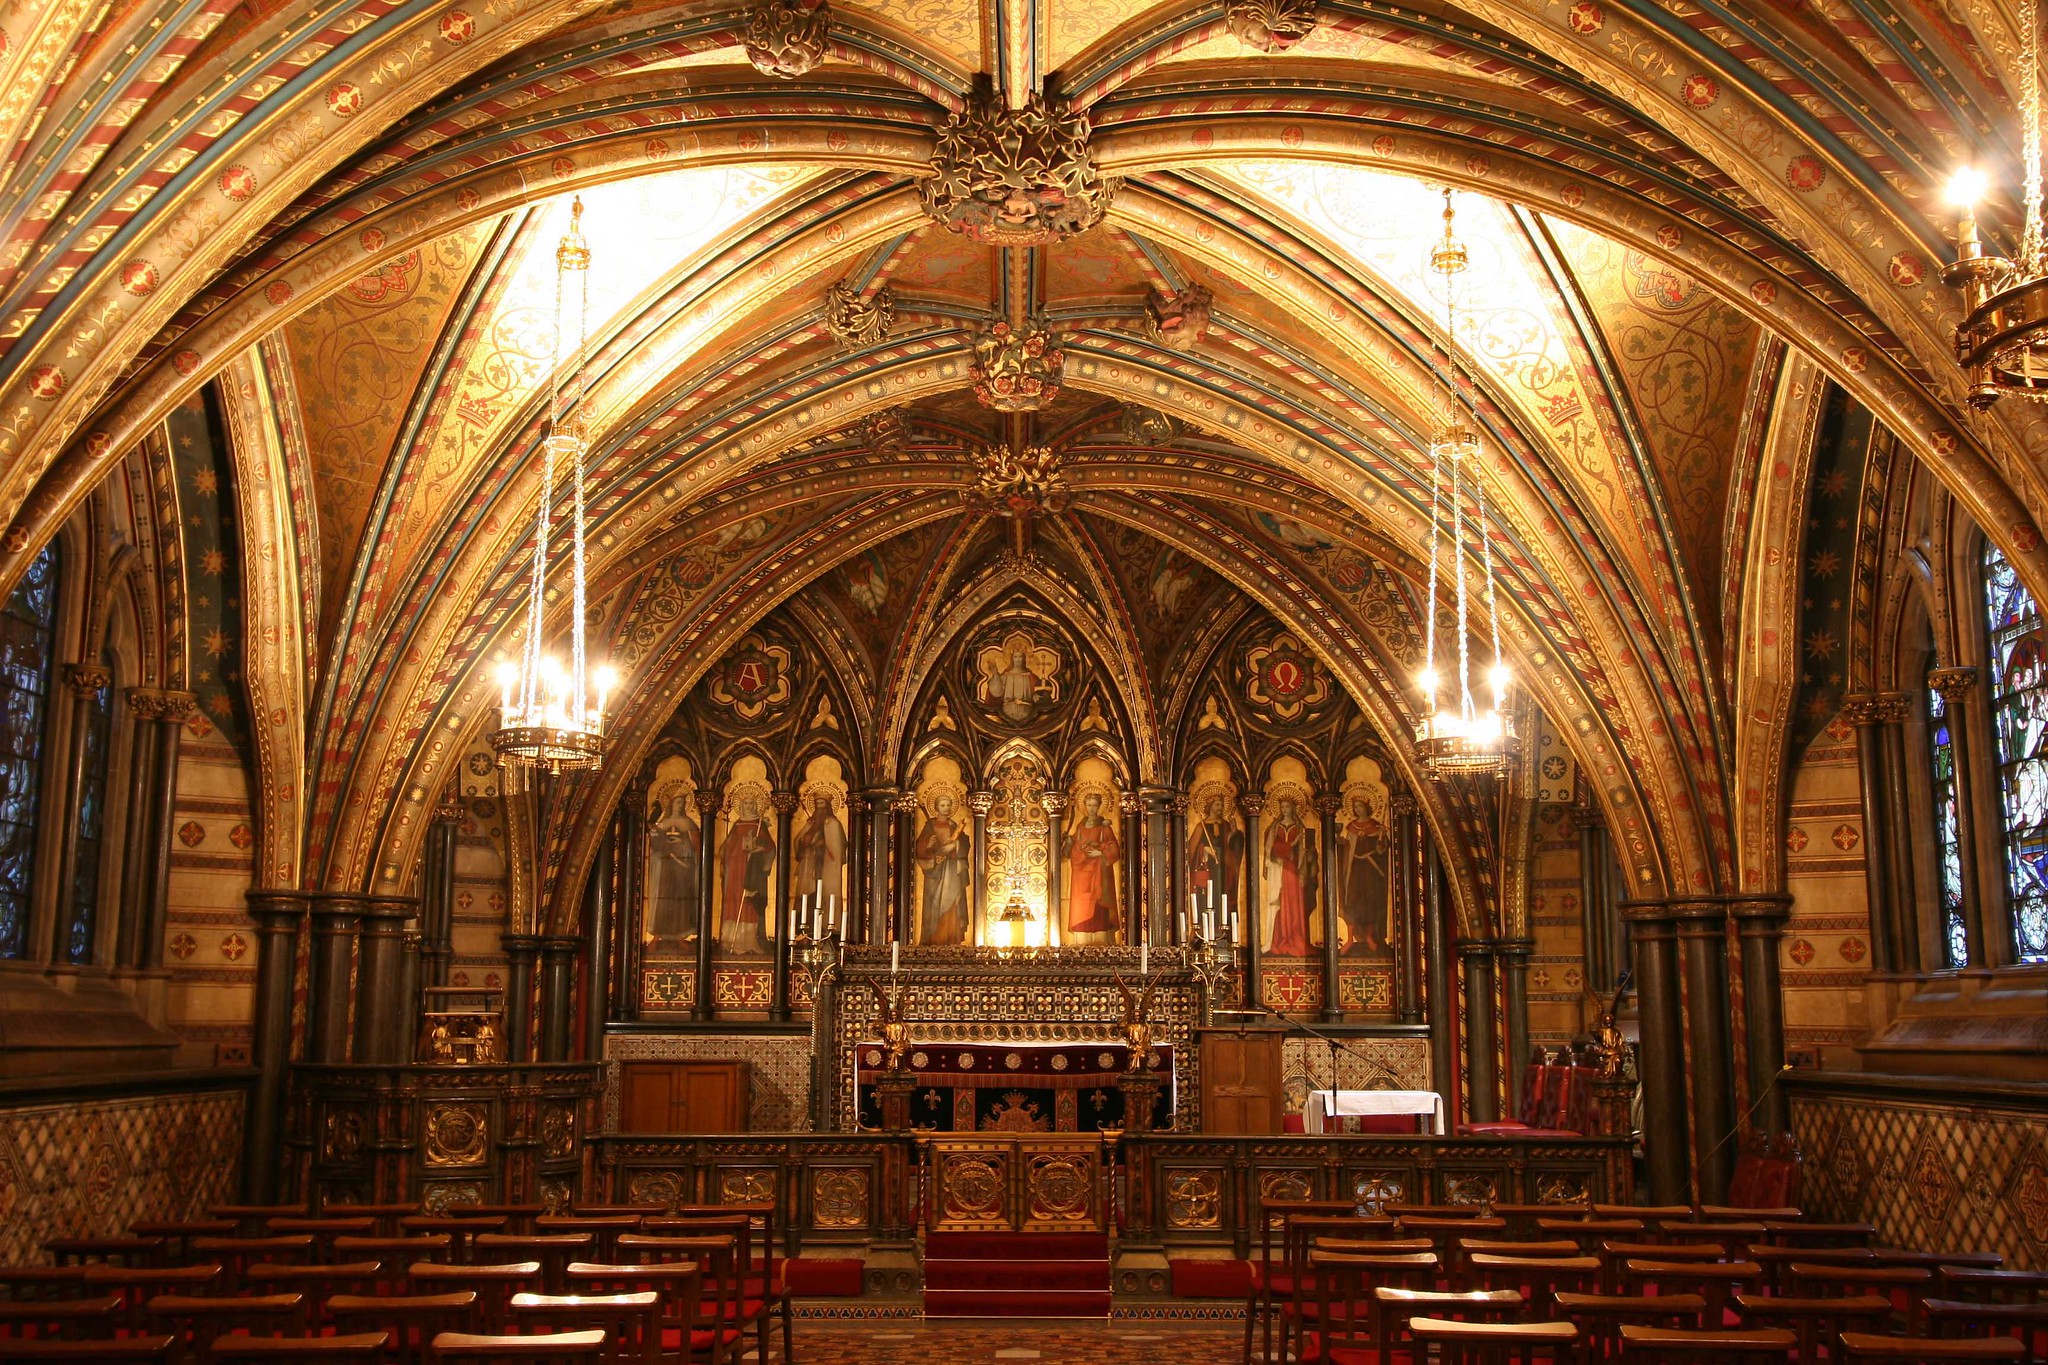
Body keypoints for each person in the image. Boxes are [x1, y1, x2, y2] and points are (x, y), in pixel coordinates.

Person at [717, 795, 776, 956]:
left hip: (751, 869)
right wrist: (727, 856)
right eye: (746, 802)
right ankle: (730, 939)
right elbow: (727, 846)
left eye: (751, 802)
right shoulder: (737, 824)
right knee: (733, 899)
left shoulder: (759, 825)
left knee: (748, 901)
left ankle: (749, 940)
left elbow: (770, 847)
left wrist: (758, 849)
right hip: (735, 866)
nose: (749, 806)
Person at [1264, 796, 1319, 956]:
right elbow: (1269, 847)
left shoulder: (1299, 826)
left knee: (1295, 901)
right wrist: (1290, 845)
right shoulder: (1276, 826)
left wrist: (1302, 870)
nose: (1284, 810)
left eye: (1287, 807)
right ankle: (1283, 937)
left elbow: (1303, 850)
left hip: (1293, 868)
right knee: (1283, 901)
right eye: (1282, 807)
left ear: (1293, 808)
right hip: (1282, 867)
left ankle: (1296, 937)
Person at [1065, 792, 1121, 943]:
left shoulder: (1105, 828)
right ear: (1085, 806)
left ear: (1099, 807)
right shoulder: (1080, 827)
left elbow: (1114, 850)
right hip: (1082, 875)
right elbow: (1074, 848)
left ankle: (1102, 939)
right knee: (1082, 906)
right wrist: (1070, 843)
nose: (1091, 809)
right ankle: (1081, 940)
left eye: (1094, 805)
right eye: (1089, 805)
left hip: (1099, 872)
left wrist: (1101, 852)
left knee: (1099, 904)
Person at [644, 796, 700, 943]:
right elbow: (656, 843)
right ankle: (658, 935)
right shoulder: (663, 824)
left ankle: (680, 935)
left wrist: (684, 849)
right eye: (678, 802)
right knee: (665, 898)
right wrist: (655, 833)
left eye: (684, 803)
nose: (681, 805)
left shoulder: (689, 823)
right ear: (672, 804)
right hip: (667, 867)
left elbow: (697, 846)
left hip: (684, 868)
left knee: (681, 899)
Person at [916, 794, 970, 943]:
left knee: (953, 903)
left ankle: (952, 939)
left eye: (948, 805)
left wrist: (955, 845)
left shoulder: (954, 826)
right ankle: (932, 940)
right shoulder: (930, 826)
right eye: (942, 805)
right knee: (934, 905)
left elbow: (965, 843)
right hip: (935, 871)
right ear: (936, 808)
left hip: (952, 870)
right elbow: (919, 849)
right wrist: (929, 846)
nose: (946, 809)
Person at [1337, 794, 1388, 953]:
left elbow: (1381, 851)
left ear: (1367, 807)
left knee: (1370, 902)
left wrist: (1381, 839)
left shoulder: (1376, 826)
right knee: (1351, 901)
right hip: (1353, 869)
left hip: (1370, 870)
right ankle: (1350, 939)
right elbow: (1346, 846)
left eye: (1360, 806)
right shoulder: (1351, 827)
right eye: (1356, 807)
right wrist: (1341, 843)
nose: (1358, 809)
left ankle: (1369, 937)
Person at [1186, 793, 1243, 914]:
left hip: (1223, 868)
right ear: (1210, 806)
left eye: (1222, 805)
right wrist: (1204, 849)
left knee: (1222, 893)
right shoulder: (1201, 826)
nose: (1220, 807)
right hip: (1207, 866)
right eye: (1217, 804)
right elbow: (1190, 851)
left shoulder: (1226, 825)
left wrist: (1233, 833)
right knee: (1207, 896)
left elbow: (1230, 846)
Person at [792, 791, 846, 913]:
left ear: (827, 807)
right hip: (809, 863)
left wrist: (824, 844)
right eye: (818, 806)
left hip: (825, 864)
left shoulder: (833, 824)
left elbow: (838, 847)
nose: (820, 810)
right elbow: (798, 840)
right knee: (809, 893)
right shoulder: (810, 824)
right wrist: (805, 841)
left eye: (822, 806)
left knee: (824, 891)